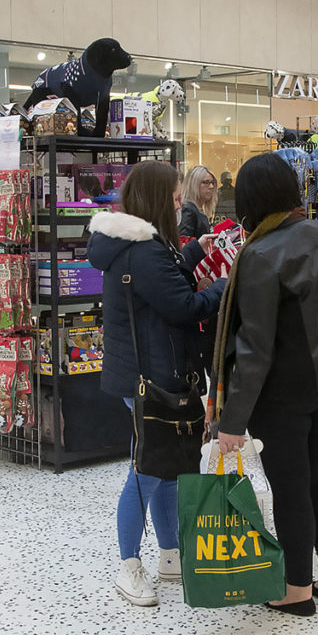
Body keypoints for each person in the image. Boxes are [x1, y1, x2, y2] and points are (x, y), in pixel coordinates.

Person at [214, 153, 318, 617]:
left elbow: (254, 346)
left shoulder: (258, 253)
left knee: (291, 486)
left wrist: (230, 420)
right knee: (317, 478)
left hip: (286, 393)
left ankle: (296, 589)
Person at [87, 160, 225, 607]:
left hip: (148, 371)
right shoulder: (143, 250)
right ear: (154, 198)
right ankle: (129, 567)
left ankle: (170, 557)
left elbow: (156, 286)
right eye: (172, 193)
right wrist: (225, 285)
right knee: (147, 470)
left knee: (170, 467)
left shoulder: (137, 244)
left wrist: (192, 252)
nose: (179, 198)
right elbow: (183, 306)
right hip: (151, 376)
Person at [179, 165, 217, 238]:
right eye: (206, 182)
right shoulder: (188, 210)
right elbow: (185, 243)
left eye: (212, 182)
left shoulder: (195, 209)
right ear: (194, 184)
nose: (211, 186)